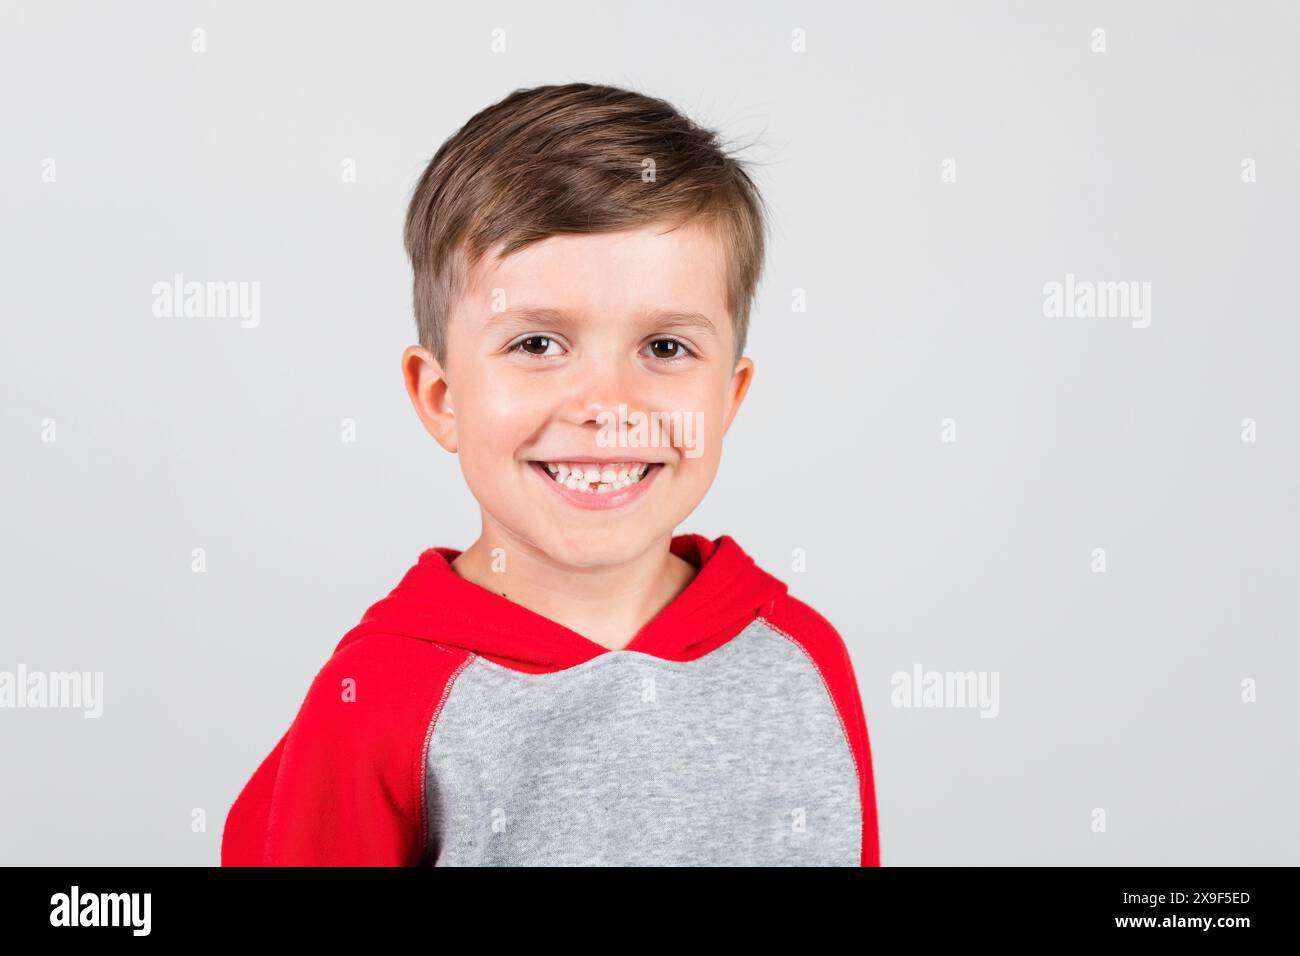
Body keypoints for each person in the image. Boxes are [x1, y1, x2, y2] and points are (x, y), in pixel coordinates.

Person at [221, 82, 879, 866]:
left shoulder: (803, 662)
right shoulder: (379, 702)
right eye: (537, 344)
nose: (606, 405)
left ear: (728, 396)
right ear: (442, 398)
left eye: (665, 348)